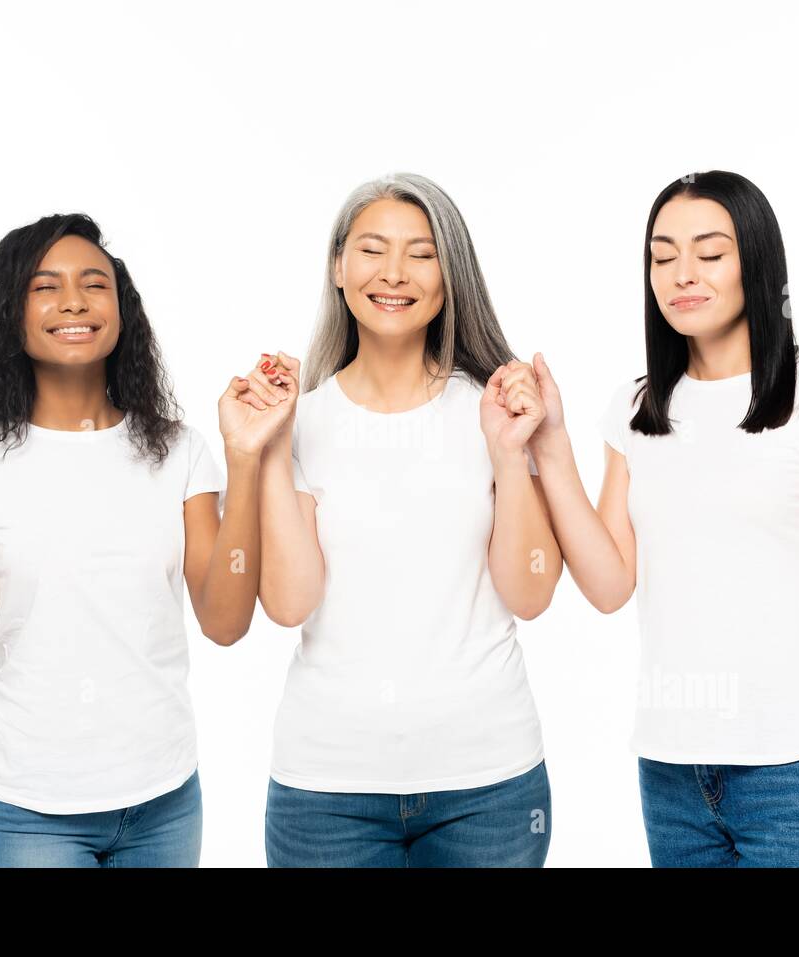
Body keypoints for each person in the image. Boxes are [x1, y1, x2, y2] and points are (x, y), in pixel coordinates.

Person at [527, 170, 799, 866]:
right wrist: (551, 446)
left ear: (755, 264)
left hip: (792, 770)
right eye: (662, 254)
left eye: (710, 253)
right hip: (672, 772)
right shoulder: (637, 406)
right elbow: (611, 584)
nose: (683, 274)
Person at [0, 213, 267, 866]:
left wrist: (247, 458)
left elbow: (226, 622)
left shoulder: (180, 451)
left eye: (94, 284)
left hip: (165, 803)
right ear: (12, 313)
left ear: (122, 311)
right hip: (30, 810)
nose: (73, 301)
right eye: (45, 287)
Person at [229, 173, 561, 867]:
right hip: (326, 789)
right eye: (373, 249)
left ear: (450, 274)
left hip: (488, 786)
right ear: (338, 268)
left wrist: (508, 455)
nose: (394, 272)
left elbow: (530, 592)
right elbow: (289, 603)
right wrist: (273, 452)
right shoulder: (301, 421)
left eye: (420, 252)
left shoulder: (494, 410)